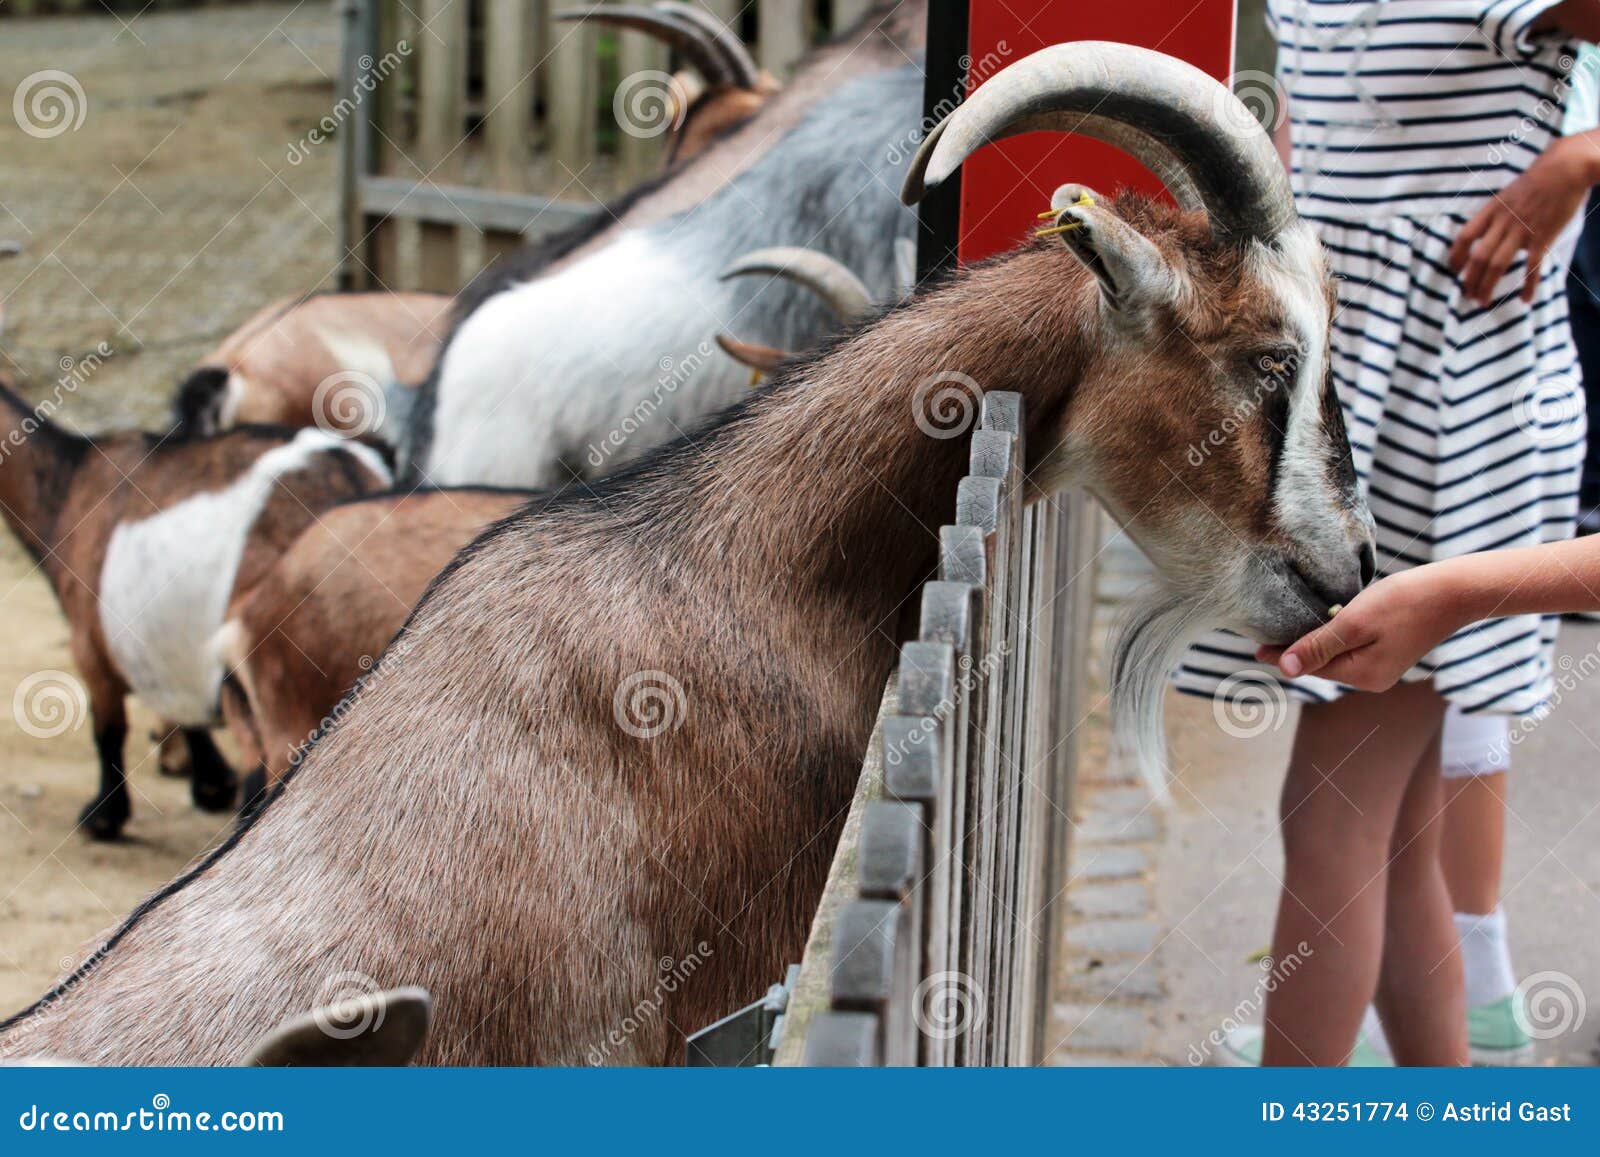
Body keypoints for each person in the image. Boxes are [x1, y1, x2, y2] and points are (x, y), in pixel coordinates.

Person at [1177, 0, 1600, 1066]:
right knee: (1393, 830)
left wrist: (1581, 158)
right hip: (1345, 405)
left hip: (1454, 417)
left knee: (1333, 811)